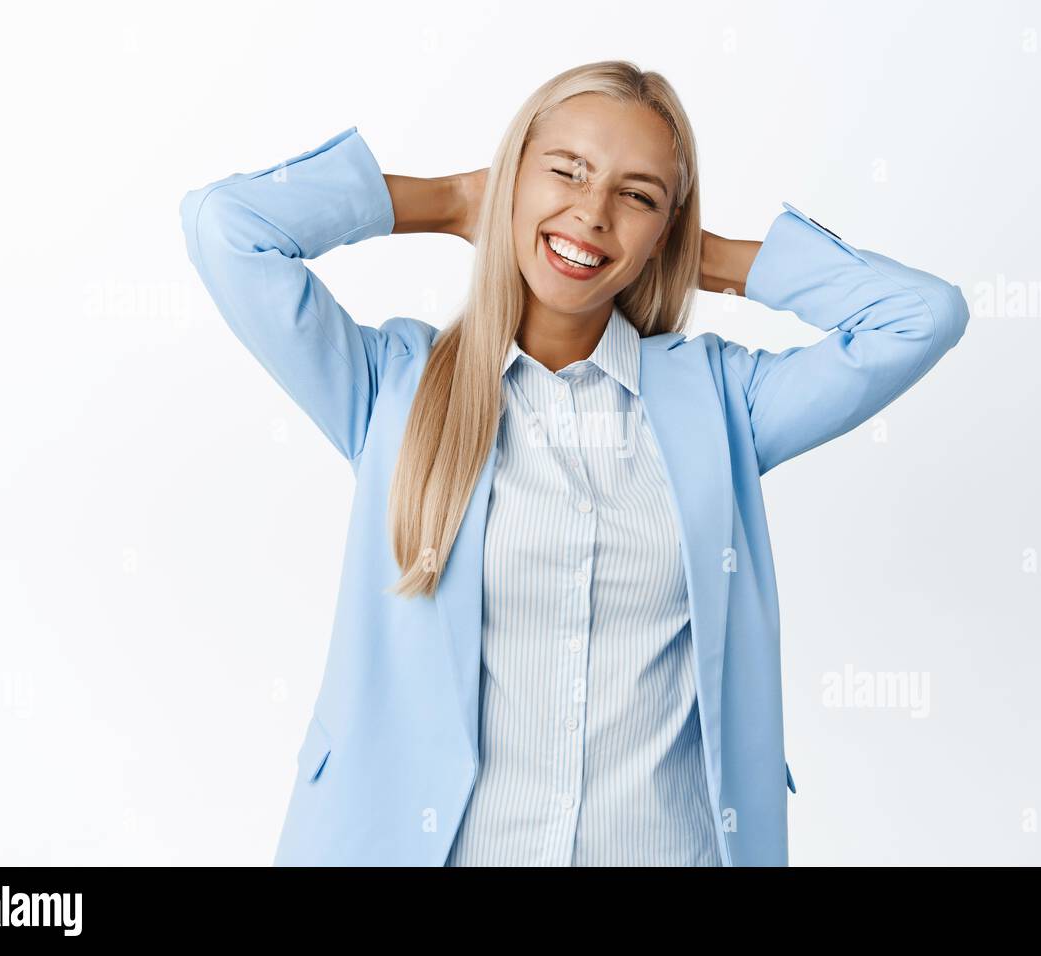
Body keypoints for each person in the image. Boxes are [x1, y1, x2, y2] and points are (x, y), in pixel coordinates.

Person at [178, 59, 969, 867]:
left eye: (638, 197)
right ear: (511, 177)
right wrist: (448, 201)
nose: (592, 214)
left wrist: (712, 258)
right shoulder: (394, 389)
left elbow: (921, 316)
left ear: (666, 228)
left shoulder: (721, 400)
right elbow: (225, 228)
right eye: (566, 172)